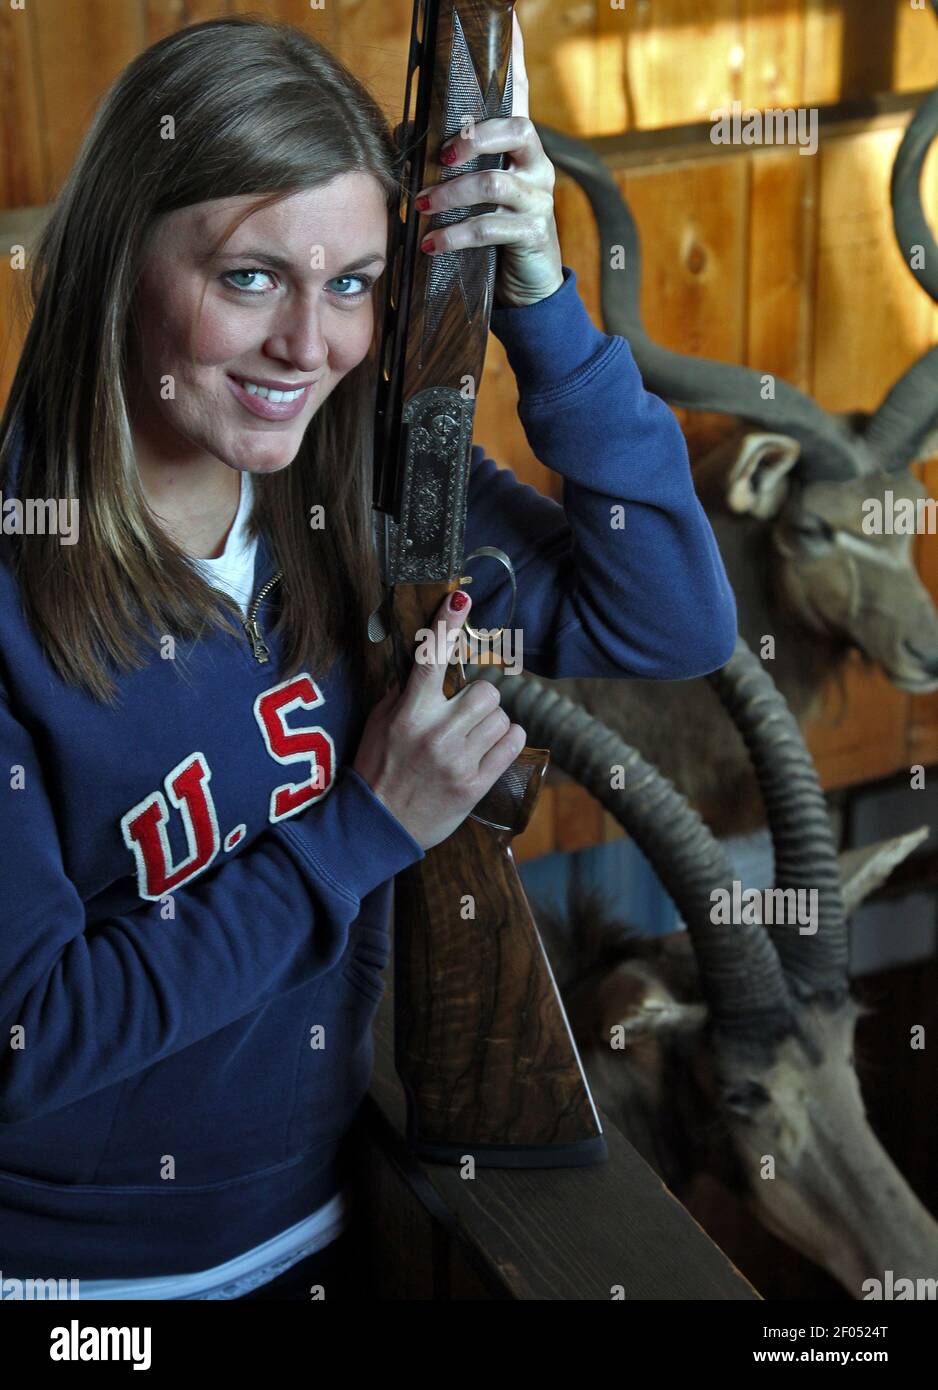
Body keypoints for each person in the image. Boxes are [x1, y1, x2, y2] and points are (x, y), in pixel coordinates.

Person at [0, 15, 736, 1301]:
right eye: (249, 278)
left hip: (336, 1222)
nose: (310, 346)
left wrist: (543, 312)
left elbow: (671, 616)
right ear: (117, 263)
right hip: (78, 1290)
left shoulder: (370, 498)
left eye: (350, 283)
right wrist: (364, 827)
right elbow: (32, 1038)